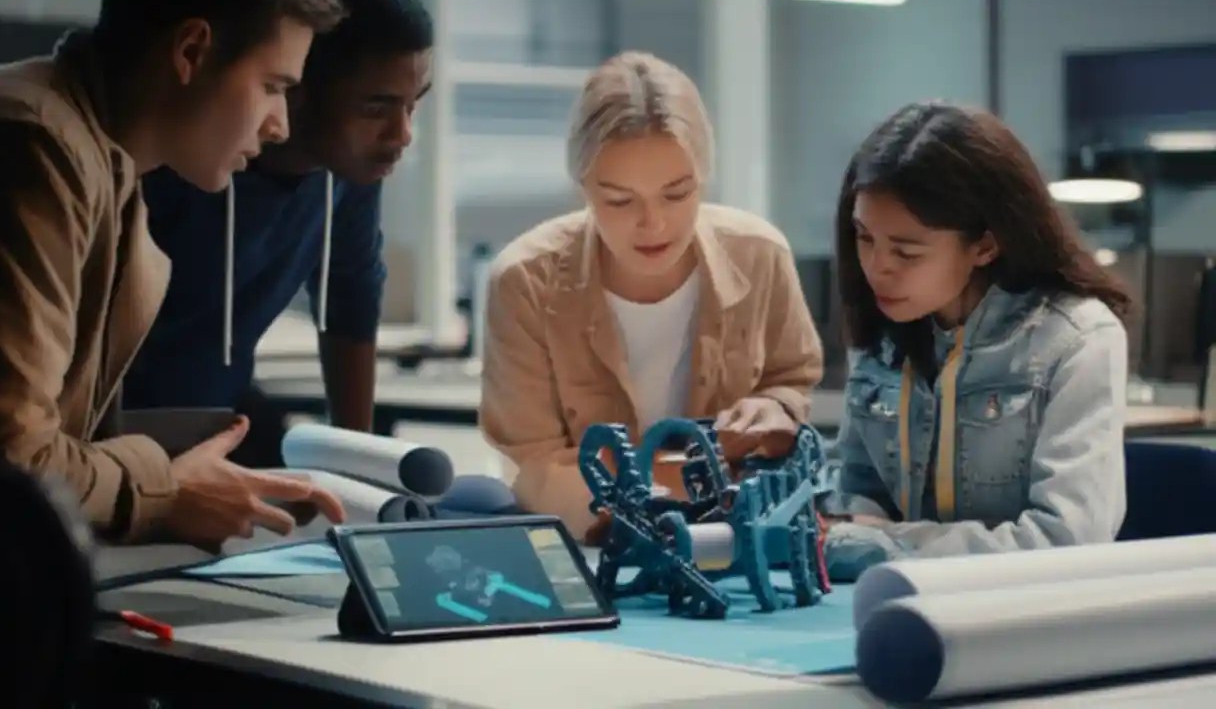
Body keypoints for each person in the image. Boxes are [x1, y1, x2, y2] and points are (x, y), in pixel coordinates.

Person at [0, 0, 348, 550]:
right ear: (192, 51)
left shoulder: (106, 158)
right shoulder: (28, 142)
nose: (279, 126)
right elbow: (12, 458)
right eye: (273, 87)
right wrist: (167, 490)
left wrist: (186, 480)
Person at [480, 52, 825, 542]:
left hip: (732, 542)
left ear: (704, 176)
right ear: (583, 187)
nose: (653, 224)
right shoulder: (524, 282)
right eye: (620, 200)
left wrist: (776, 408)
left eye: (677, 193)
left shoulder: (760, 255)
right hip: (590, 546)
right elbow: (538, 469)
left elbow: (792, 380)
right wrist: (690, 478)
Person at [123, 0, 434, 468]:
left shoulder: (348, 174)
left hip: (221, 420)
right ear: (298, 84)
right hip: (114, 433)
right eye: (376, 109)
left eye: (414, 106)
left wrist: (362, 472)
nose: (402, 136)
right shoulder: (180, 160)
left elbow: (351, 302)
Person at [822, 101, 1133, 574]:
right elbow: (858, 496)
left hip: (1023, 622)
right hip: (890, 608)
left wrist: (890, 543)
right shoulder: (884, 334)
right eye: (864, 237)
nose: (875, 268)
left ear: (985, 245)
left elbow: (1069, 540)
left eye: (906, 252)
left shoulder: (1078, 340)